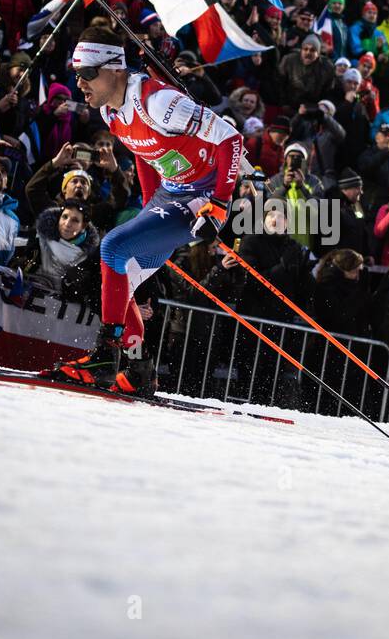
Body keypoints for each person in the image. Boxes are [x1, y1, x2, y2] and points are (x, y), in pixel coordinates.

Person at [43, 27, 243, 395]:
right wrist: (149, 209)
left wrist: (218, 205)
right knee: (120, 283)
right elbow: (144, 152)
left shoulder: (158, 102)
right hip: (169, 195)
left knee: (113, 248)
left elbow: (231, 139)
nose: (80, 83)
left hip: (201, 195)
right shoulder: (108, 111)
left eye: (88, 73)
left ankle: (105, 356)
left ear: (116, 69)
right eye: (77, 75)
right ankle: (139, 370)